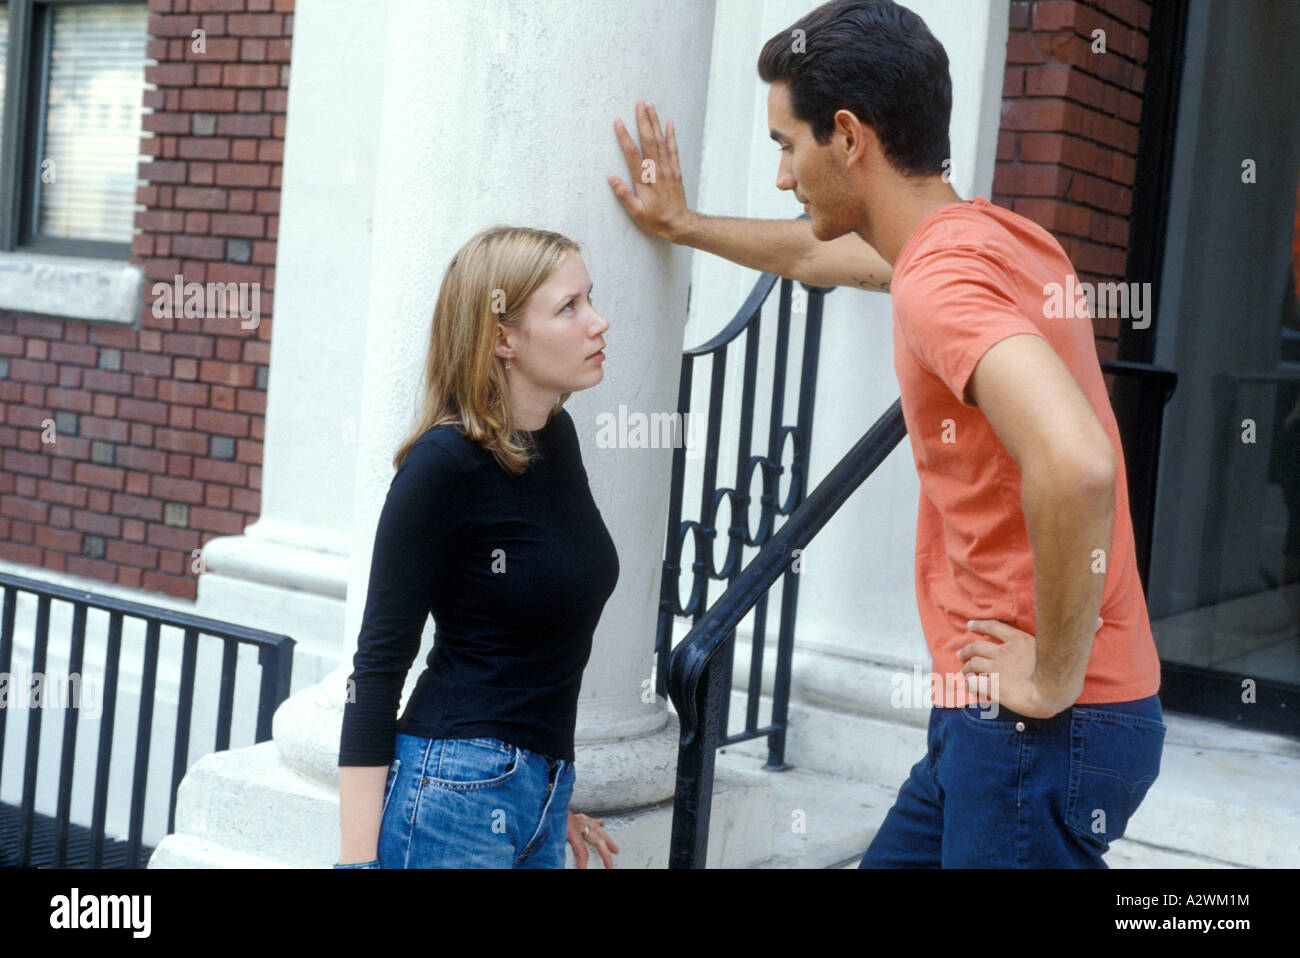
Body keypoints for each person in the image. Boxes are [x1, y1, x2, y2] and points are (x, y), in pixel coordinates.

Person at [608, 0, 1164, 867]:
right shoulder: (993, 241)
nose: (786, 177)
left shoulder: (938, 281)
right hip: (1003, 715)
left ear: (849, 136)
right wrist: (683, 226)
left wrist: (1053, 678)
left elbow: (1079, 462)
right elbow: (808, 256)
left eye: (787, 147)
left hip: (1042, 720)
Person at [335, 225, 621, 868]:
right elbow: (377, 668)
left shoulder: (557, 437)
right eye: (569, 307)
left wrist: (540, 801)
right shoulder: (443, 464)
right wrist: (357, 863)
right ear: (501, 337)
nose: (598, 322)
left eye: (590, 299)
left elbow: (539, 649)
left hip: (533, 797)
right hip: (451, 793)